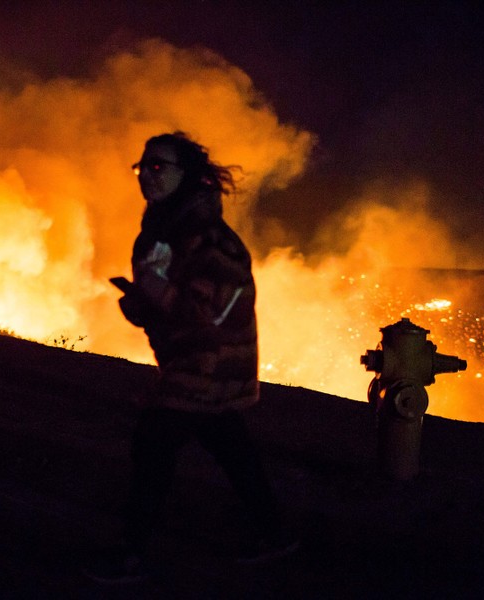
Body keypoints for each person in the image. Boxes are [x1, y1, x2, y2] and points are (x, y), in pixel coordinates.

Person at [84, 132, 297, 584]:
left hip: (204, 369)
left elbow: (209, 310)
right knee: (232, 450)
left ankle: (131, 555)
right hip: (203, 369)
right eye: (143, 167)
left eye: (159, 167)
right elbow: (168, 304)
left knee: (153, 448)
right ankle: (275, 534)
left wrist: (156, 293)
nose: (147, 176)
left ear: (187, 176)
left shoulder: (207, 236)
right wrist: (141, 300)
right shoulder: (167, 227)